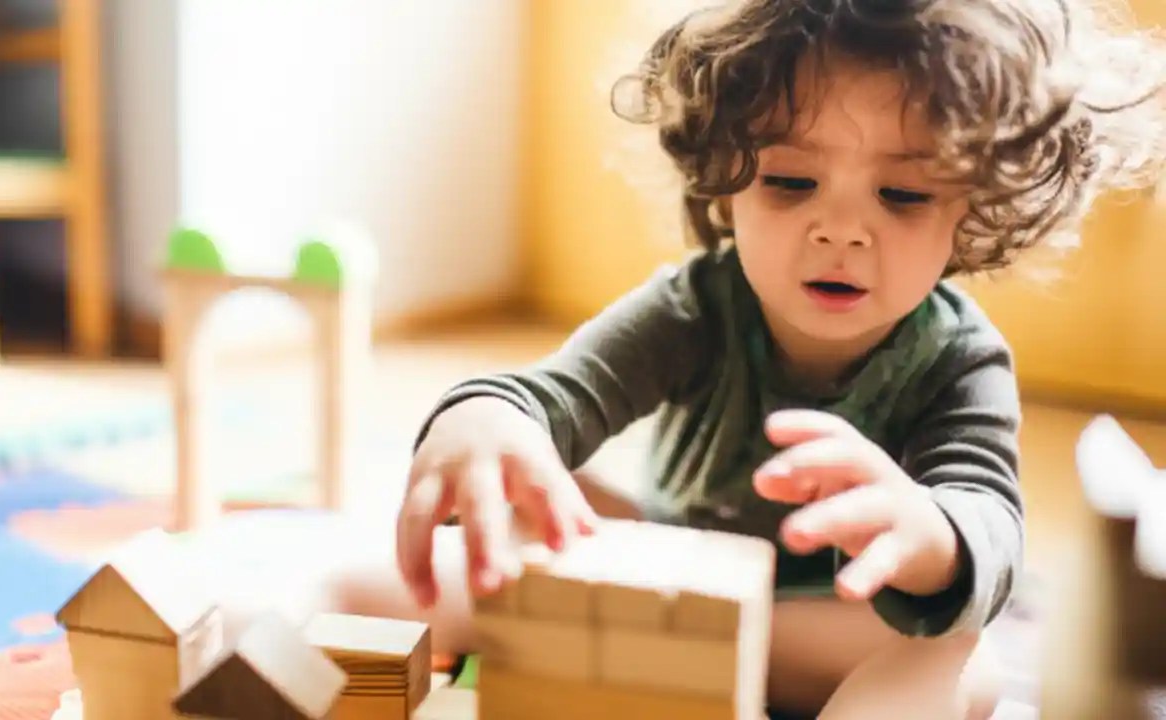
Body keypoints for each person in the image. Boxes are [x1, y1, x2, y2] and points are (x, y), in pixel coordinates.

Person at [277, 2, 1166, 718]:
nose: (841, 228)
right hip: (669, 578)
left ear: (972, 208)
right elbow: (551, 396)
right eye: (789, 181)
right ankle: (278, 629)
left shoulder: (962, 360)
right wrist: (484, 418)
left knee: (953, 653)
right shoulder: (698, 303)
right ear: (728, 175)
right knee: (515, 520)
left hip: (821, 626)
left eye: (901, 194)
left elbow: (990, 528)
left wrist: (927, 531)